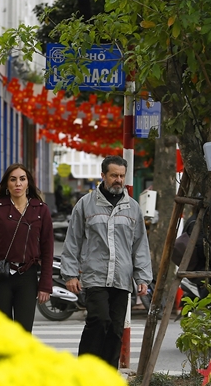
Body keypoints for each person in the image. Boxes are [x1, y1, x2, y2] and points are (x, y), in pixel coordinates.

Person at [60, 155, 152, 367]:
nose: (118, 180)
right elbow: (73, 240)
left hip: (122, 277)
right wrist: (71, 273)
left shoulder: (133, 208)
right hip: (95, 276)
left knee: (115, 328)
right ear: (103, 176)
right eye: (114, 175)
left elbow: (140, 245)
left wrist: (143, 277)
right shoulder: (86, 204)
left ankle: (108, 376)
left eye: (121, 175)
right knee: (99, 320)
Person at [0, 163, 54, 332]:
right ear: (7, 184)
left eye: (22, 179)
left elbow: (47, 250)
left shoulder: (40, 210)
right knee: (1, 332)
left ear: (28, 183)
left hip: (27, 277)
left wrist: (45, 285)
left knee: (24, 331)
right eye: (13, 179)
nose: (18, 183)